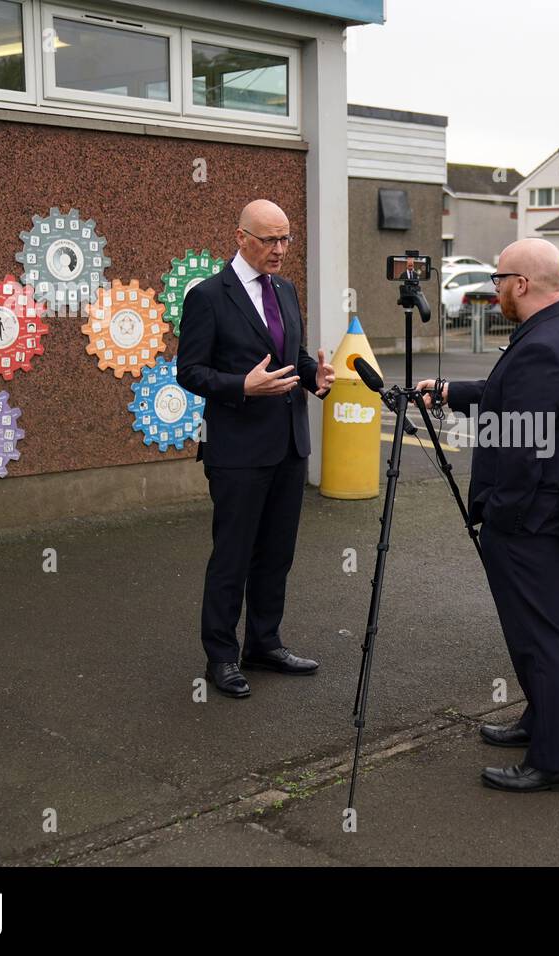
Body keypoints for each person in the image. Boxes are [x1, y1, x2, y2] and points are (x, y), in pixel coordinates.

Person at [417, 238, 559, 791]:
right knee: (535, 633)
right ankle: (539, 721)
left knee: (539, 637)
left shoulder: (542, 346)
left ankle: (553, 762)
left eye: (499, 278)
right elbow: (507, 396)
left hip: (532, 521)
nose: (493, 288)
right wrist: (449, 392)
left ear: (521, 284)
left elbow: (523, 447)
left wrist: (499, 515)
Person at [176, 199, 336, 699]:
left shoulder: (286, 291)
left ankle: (264, 642)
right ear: (241, 236)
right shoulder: (208, 296)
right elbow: (190, 372)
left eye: (286, 239)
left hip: (289, 446)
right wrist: (241, 386)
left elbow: (296, 356)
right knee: (233, 556)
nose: (280, 250)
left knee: (276, 555)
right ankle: (221, 656)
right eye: (269, 239)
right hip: (239, 452)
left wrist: (315, 377)